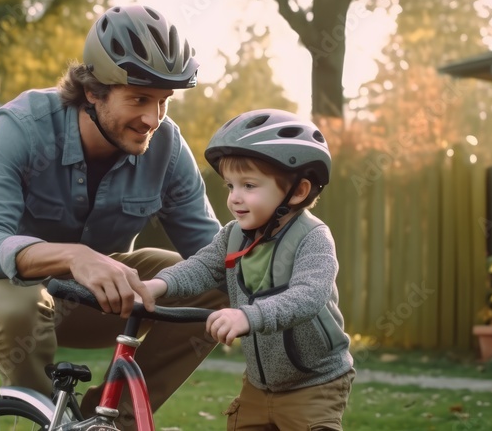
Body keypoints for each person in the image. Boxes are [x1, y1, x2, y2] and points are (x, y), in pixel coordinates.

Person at [0, 4, 227, 427]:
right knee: (17, 302)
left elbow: (216, 256)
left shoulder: (167, 146)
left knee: (209, 283)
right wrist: (72, 256)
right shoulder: (22, 126)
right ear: (93, 90)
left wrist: (296, 300)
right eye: (139, 98)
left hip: (87, 298)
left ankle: (108, 420)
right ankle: (40, 419)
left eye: (164, 101)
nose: (152, 119)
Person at [143, 109, 356, 430]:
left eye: (249, 185)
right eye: (230, 186)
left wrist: (247, 316)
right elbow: (200, 268)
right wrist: (156, 286)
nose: (235, 198)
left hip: (315, 384)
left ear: (297, 191)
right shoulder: (233, 235)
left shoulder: (313, 238)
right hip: (258, 385)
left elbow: (307, 297)